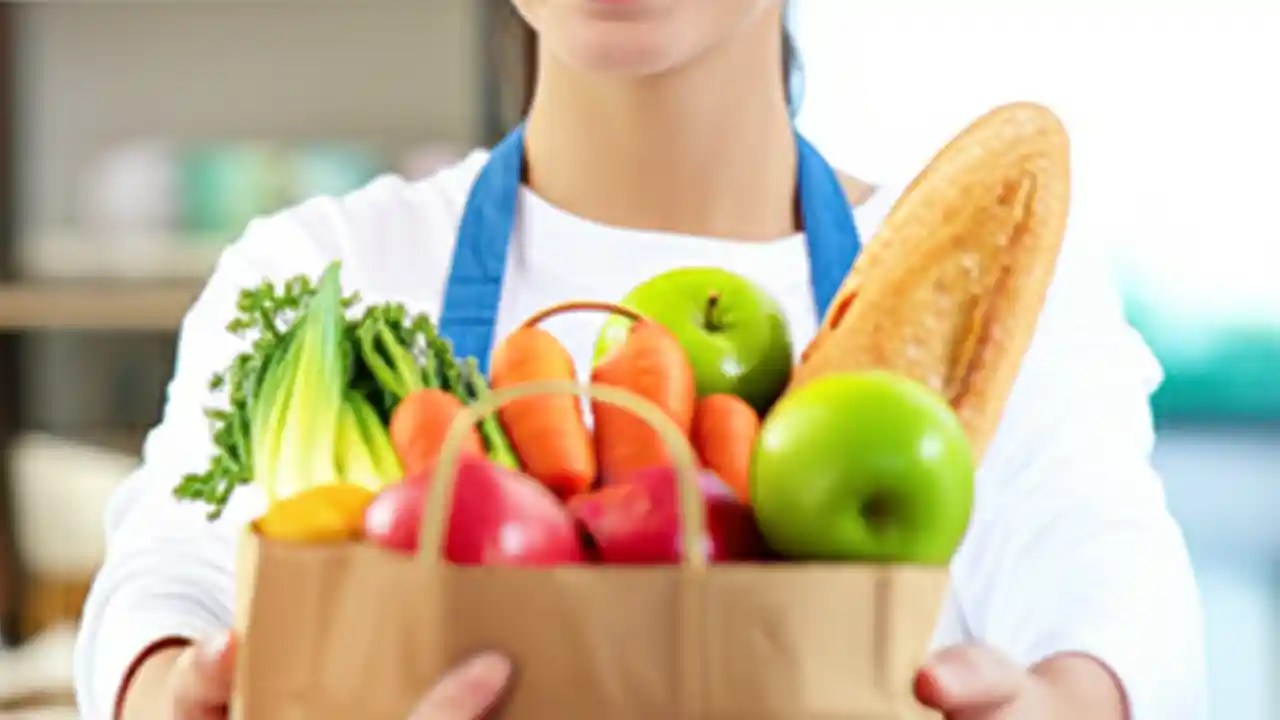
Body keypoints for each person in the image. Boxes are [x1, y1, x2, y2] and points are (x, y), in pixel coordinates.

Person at [74, 1, 1206, 718]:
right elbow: (165, 581)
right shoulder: (322, 271)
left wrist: (1057, 702)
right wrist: (174, 686)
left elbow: (1113, 608)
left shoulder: (988, 292)